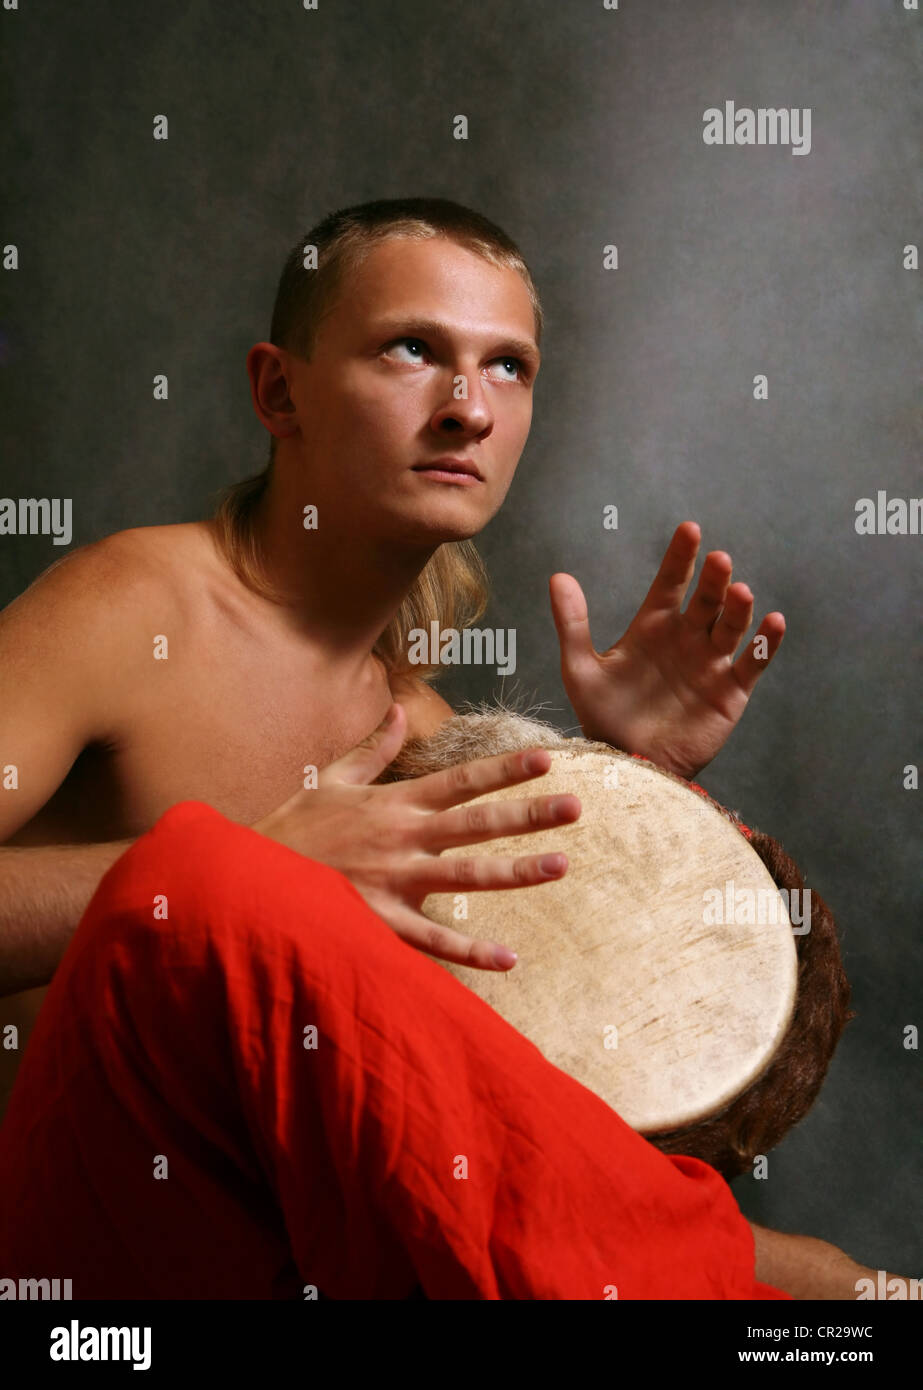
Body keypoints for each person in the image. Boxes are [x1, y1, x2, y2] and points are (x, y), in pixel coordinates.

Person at [0, 197, 879, 1298]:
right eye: (412, 349)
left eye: (507, 367)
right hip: (88, 1263)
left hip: (301, 1268)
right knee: (203, 869)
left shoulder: (420, 738)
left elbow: (496, 1129)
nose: (466, 408)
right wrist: (247, 877)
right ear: (279, 391)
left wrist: (630, 792)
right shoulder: (137, 604)